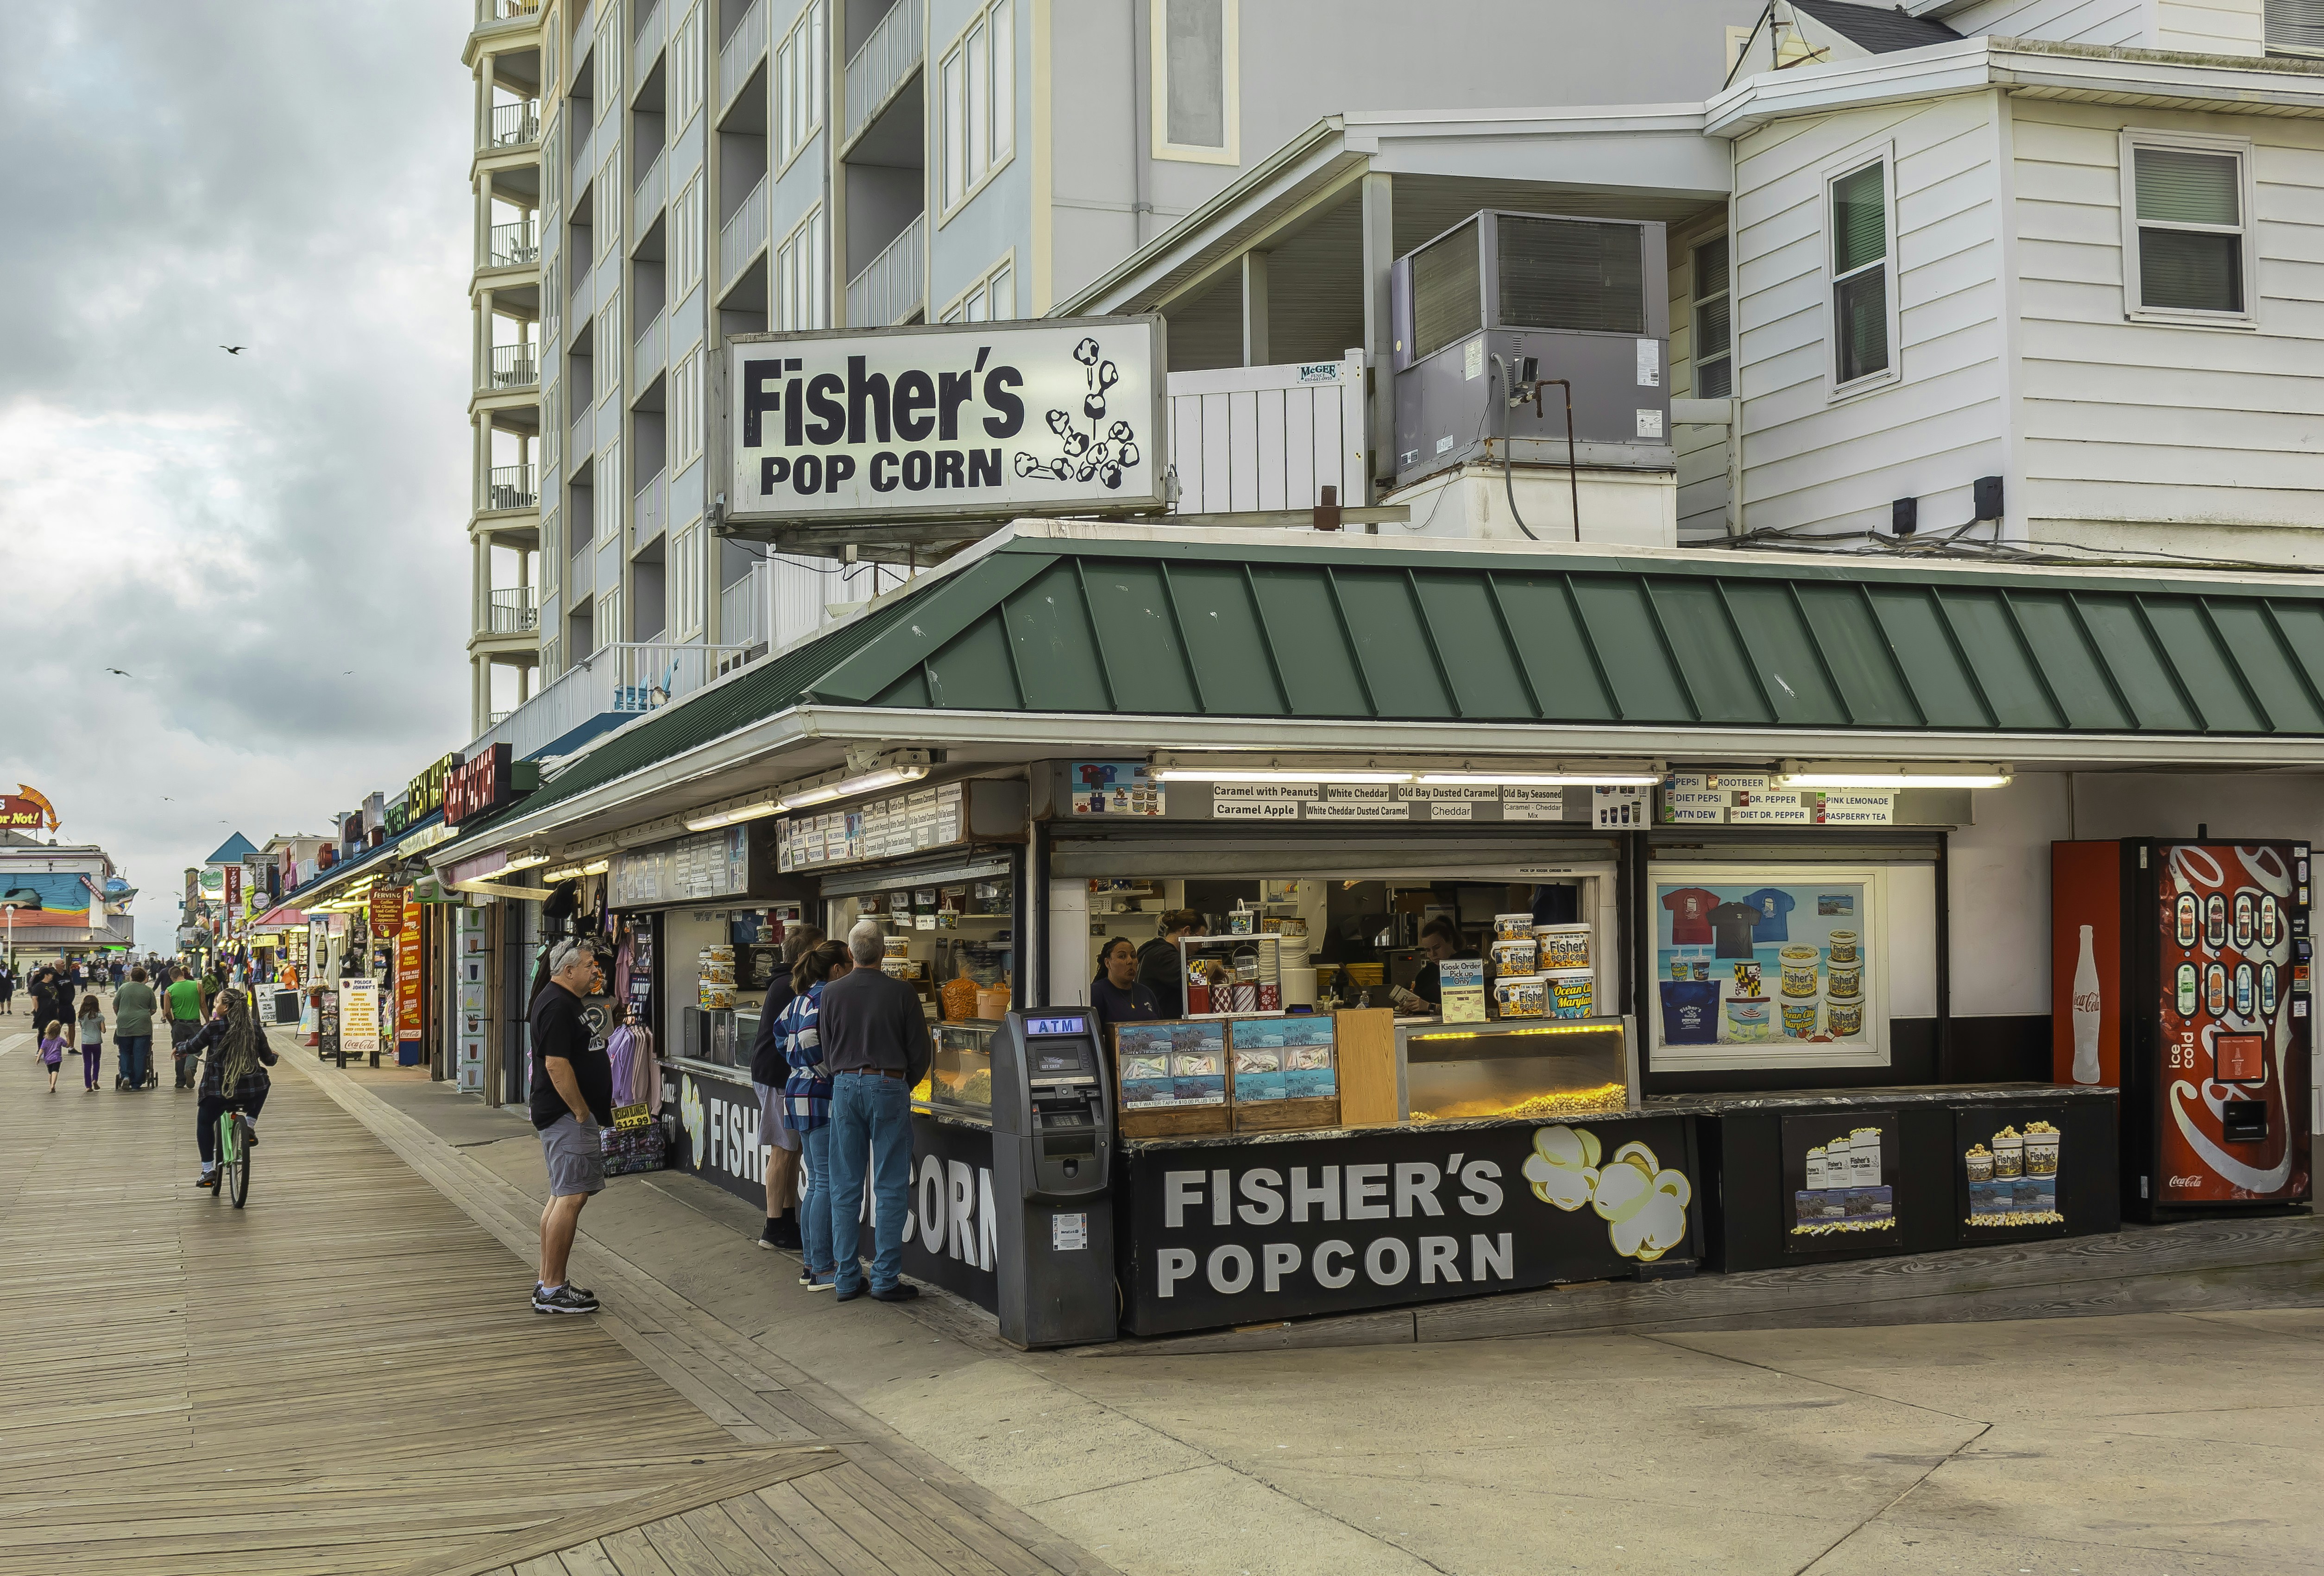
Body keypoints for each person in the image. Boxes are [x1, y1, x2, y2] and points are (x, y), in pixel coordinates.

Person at [817, 920, 931, 1303]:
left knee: (844, 1185)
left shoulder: (831, 993)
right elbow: (921, 1051)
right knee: (890, 1185)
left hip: (845, 1086)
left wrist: (847, 1074)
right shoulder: (903, 993)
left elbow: (827, 1047)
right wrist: (900, 1082)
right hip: (889, 1084)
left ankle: (846, 1277)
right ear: (884, 953)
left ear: (850, 954)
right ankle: (885, 1278)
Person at [528, 938, 612, 1315]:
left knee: (562, 1195)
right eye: (590, 964)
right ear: (568, 970)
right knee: (572, 1197)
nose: (596, 969)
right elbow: (555, 1065)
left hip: (564, 1116)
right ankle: (552, 1288)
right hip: (566, 1117)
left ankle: (549, 1280)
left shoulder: (563, 1001)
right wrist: (581, 1111)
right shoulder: (557, 1005)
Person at [776, 939, 847, 1291]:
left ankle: (811, 1264)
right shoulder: (824, 997)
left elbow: (781, 1035)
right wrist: (827, 1071)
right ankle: (822, 1268)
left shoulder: (800, 998)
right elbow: (806, 1040)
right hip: (819, 1096)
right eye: (849, 965)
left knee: (816, 1180)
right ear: (837, 970)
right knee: (823, 1181)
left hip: (797, 1094)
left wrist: (800, 1067)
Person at [746, 926, 822, 1252]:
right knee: (783, 1150)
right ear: (806, 954)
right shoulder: (788, 986)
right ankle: (774, 1225)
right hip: (778, 1077)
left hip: (780, 1077)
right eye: (819, 951)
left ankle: (787, 1220)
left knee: (792, 1151)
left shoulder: (783, 984)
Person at [180, 990, 277, 1187]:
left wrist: (180, 1049)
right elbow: (269, 1060)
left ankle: (208, 1171)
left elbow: (193, 1046)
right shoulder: (255, 1027)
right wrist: (275, 1057)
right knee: (265, 1081)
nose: (214, 1005)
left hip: (218, 1093)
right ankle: (249, 1124)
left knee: (205, 1123)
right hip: (251, 1091)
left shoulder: (213, 1028)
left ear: (225, 1008)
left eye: (216, 1002)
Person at [1394, 916, 1480, 1015]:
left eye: (1437, 947)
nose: (1433, 954)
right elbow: (1421, 1005)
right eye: (1428, 950)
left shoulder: (1467, 967)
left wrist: (1430, 1007)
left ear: (1450, 941)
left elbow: (1472, 1008)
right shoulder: (1426, 974)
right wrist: (1411, 1007)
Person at [1091, 936, 1165, 1041]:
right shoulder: (1097, 992)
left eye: (1133, 956)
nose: (1130, 961)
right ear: (1108, 963)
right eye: (1122, 957)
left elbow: (1162, 1029)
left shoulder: (1146, 992)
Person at [1136, 910, 1206, 1017]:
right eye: (1199, 940)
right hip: (1160, 1026)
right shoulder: (1164, 955)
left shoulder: (1157, 951)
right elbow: (1192, 977)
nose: (1201, 946)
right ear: (1186, 931)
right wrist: (1210, 967)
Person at [113, 966, 157, 1092]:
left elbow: (115, 1006)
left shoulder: (123, 988)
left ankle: (126, 1075)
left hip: (124, 1024)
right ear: (144, 977)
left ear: (131, 976)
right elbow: (153, 1009)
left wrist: (121, 1015)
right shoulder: (148, 991)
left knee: (125, 1052)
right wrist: (145, 1015)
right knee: (140, 1054)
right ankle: (136, 1083)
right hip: (142, 1026)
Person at [164, 967, 204, 1088]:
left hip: (179, 1024)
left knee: (179, 1050)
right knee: (196, 1048)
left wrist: (173, 1023)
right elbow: (203, 1006)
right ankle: (190, 1069)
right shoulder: (197, 986)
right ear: (183, 974)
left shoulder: (169, 991)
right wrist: (207, 1021)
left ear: (172, 977)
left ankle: (180, 1081)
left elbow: (166, 1013)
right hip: (195, 1024)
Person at [75, 994, 105, 1093]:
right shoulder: (99, 1016)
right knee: (96, 1062)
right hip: (96, 1042)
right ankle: (95, 1079)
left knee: (87, 1063)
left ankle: (88, 1086)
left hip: (85, 1043)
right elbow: (103, 1030)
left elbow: (82, 1026)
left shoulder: (81, 1016)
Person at [37, 1019, 64, 1094]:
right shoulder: (60, 1039)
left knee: (50, 1073)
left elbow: (42, 1049)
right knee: (55, 1071)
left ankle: (51, 1086)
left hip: (48, 1059)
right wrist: (68, 1037)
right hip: (57, 1058)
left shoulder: (46, 1040)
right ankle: (53, 1085)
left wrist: (38, 1057)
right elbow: (67, 1045)